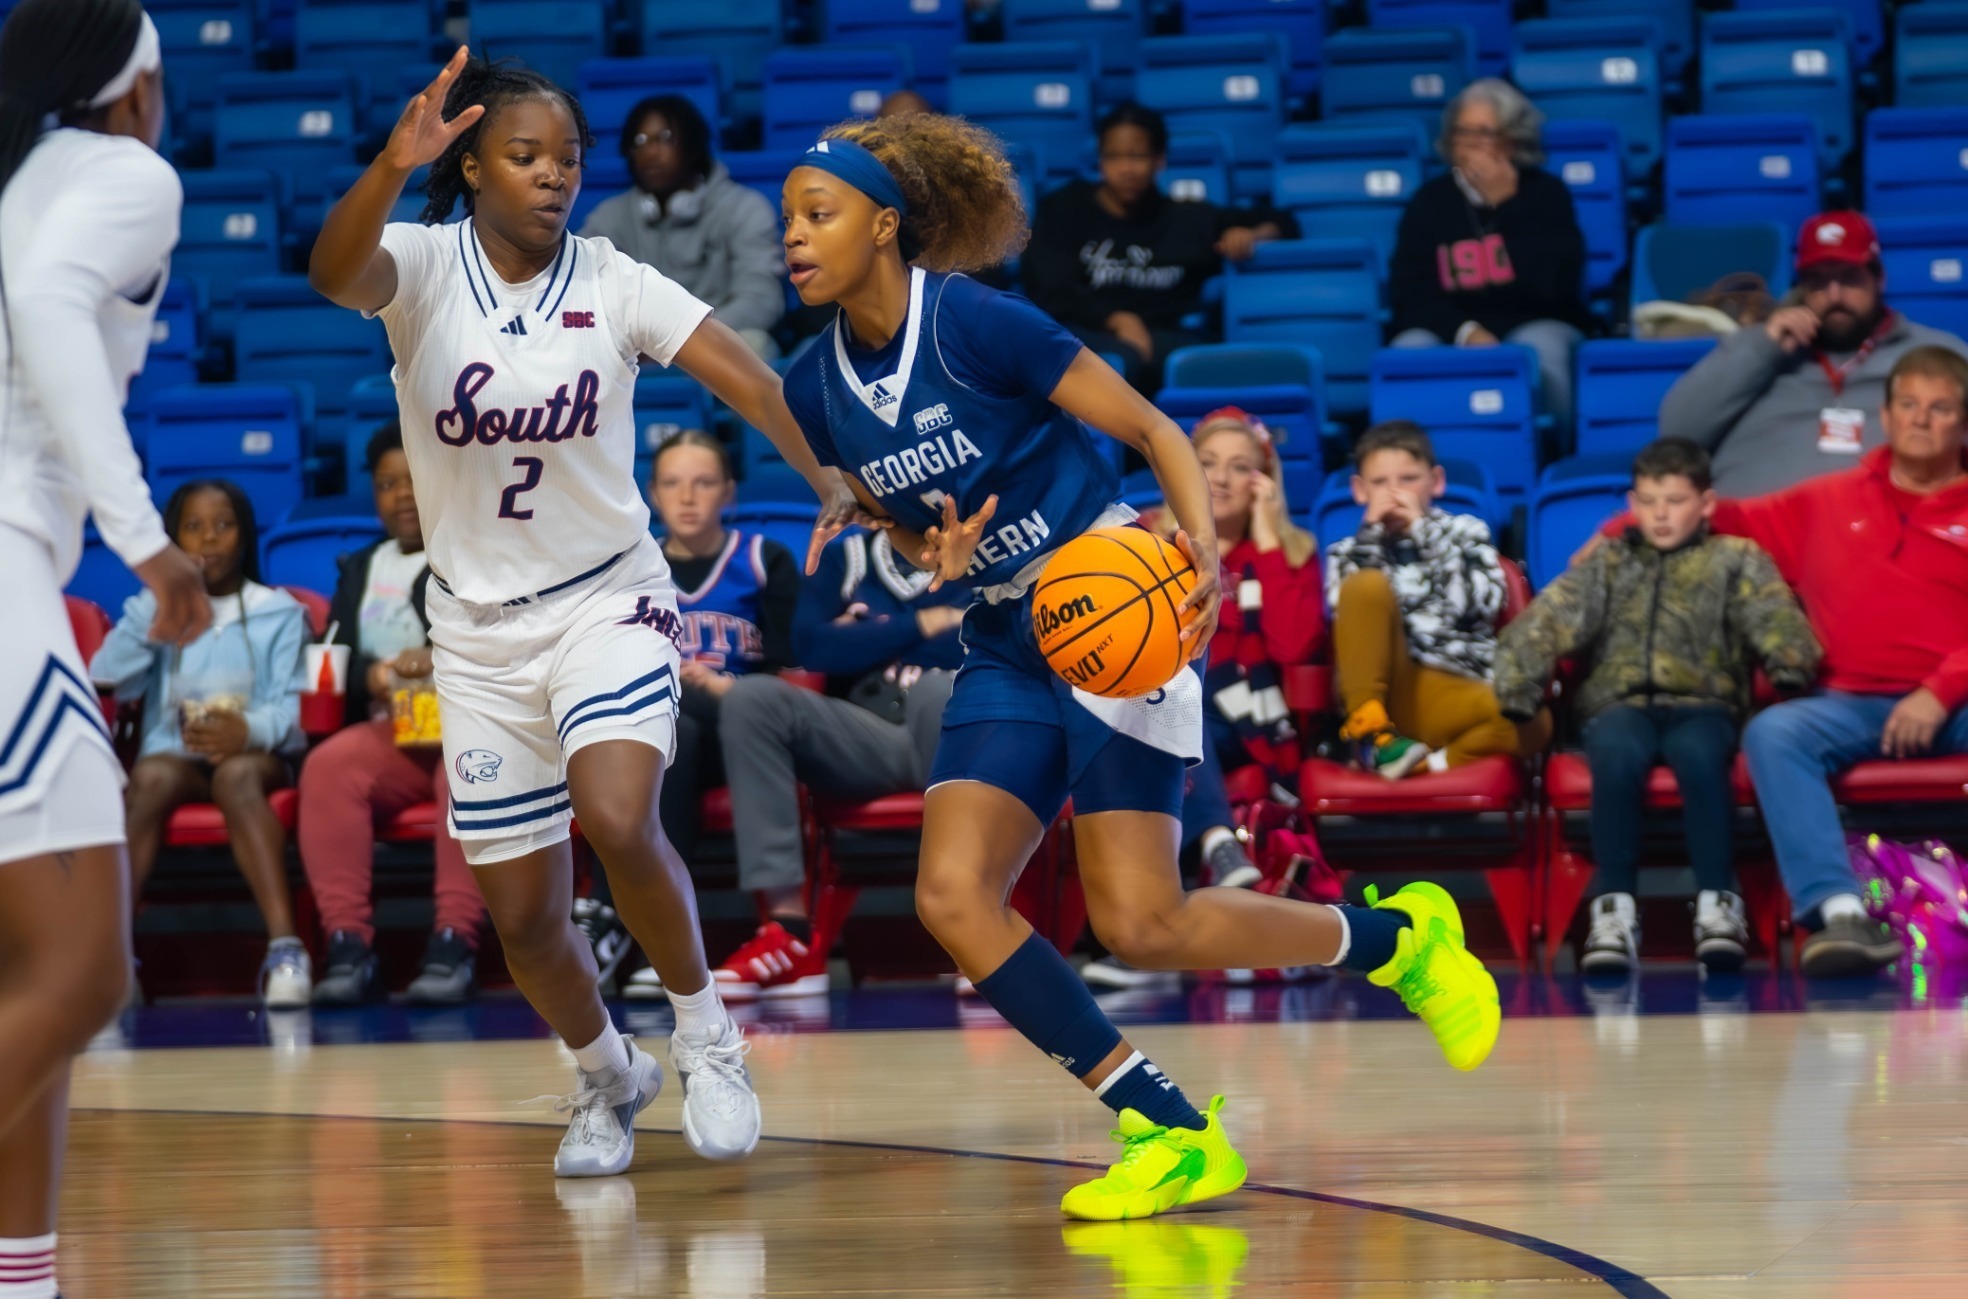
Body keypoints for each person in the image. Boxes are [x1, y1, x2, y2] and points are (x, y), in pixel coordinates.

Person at [780, 113, 1501, 1220]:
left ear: (883, 226)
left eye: (815, 214)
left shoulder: (974, 321)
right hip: (1006, 637)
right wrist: (927, 551)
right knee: (952, 897)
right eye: (787, 217)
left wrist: (1200, 555)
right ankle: (1167, 1128)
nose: (793, 235)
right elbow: (910, 530)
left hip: (1114, 605)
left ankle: (1396, 942)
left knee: (1143, 924)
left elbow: (1158, 430)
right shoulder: (809, 384)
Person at [309, 49, 858, 1177]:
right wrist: (387, 160)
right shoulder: (417, 269)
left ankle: (707, 1035)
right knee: (523, 923)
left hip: (607, 599)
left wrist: (824, 476)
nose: (553, 176)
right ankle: (608, 1075)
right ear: (469, 168)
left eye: (567, 159)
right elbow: (330, 271)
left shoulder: (614, 277)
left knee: (617, 815)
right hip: (474, 634)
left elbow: (747, 379)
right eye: (525, 157)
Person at [0, 3, 210, 1293]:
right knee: (76, 973)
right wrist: (148, 544)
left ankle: (19, 1283)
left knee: (20, 972)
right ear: (138, 87)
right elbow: (61, 310)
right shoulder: (127, 171)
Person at [1589, 347, 1968, 977]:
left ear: (1963, 422)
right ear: (1886, 413)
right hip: (1846, 704)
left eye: (1941, 408)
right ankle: (1841, 913)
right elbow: (1724, 516)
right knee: (1774, 731)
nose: (1922, 420)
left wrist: (1941, 689)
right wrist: (1616, 531)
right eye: (1908, 405)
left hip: (1954, 702)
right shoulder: (1827, 499)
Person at [1492, 439, 1820, 973]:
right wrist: (1519, 686)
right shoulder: (1610, 562)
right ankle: (1613, 910)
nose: (1660, 514)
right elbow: (1545, 621)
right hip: (1618, 705)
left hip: (1704, 703)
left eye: (1674, 500)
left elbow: (1778, 617)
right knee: (1616, 757)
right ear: (1632, 503)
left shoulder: (1735, 559)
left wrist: (1788, 663)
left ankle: (1718, 904)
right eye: (1648, 501)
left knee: (1700, 757)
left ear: (1706, 504)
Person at [669, 522, 968, 1000]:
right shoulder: (845, 557)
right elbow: (810, 645)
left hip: (959, 734)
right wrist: (925, 623)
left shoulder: (983, 549)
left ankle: (977, 923)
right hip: (868, 733)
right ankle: (788, 932)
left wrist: (868, 634)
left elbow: (984, 641)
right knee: (755, 697)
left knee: (942, 687)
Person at [1085, 408, 1326, 992]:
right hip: (1157, 705)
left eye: (1240, 468)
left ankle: (1154, 937)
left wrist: (1268, 539)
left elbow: (1294, 649)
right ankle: (1213, 853)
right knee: (1162, 695)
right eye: (1206, 463)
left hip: (1257, 723)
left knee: (1179, 685)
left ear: (1263, 481)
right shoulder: (1147, 537)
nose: (1219, 478)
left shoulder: (1292, 553)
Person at [90, 480, 311, 1006]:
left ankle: (286, 949)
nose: (208, 539)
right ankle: (113, 958)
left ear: (245, 535)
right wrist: (159, 602)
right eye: (192, 527)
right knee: (150, 777)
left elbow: (293, 711)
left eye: (223, 525)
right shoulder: (158, 611)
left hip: (255, 760)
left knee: (236, 777)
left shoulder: (279, 613)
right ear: (172, 541)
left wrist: (246, 732)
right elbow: (105, 676)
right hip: (176, 756)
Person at [599, 430, 799, 993]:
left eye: (704, 482)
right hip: (660, 730)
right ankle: (643, 941)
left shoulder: (763, 560)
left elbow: (791, 668)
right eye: (672, 484)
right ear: (652, 495)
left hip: (743, 730)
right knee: (663, 741)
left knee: (680, 736)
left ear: (729, 492)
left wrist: (720, 685)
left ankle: (666, 948)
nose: (688, 497)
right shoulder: (627, 567)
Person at [298, 423, 486, 1006]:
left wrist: (441, 654)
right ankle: (348, 944)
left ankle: (455, 941)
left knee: (468, 766)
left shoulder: (479, 550)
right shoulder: (360, 568)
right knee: (329, 767)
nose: (403, 495)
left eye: (415, 479)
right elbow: (333, 660)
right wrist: (372, 675)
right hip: (397, 728)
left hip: (472, 722)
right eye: (387, 484)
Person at [1659, 211, 1968, 497]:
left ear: (1879, 279)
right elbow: (1676, 431)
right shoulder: (1760, 349)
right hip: (1748, 547)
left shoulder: (1933, 355)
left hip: (1889, 544)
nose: (1835, 295)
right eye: (1819, 281)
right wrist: (1762, 349)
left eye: (1849, 278)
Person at [1020, 103, 1295, 396]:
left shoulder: (1185, 218)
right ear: (1100, 161)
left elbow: (1284, 223)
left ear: (1159, 160)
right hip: (1082, 332)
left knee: (1216, 364)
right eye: (1113, 157)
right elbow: (1049, 291)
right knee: (1121, 362)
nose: (1125, 168)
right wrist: (1116, 319)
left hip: (1163, 336)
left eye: (1137, 156)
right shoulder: (1063, 208)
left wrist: (1249, 234)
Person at [1327, 421, 1552, 778]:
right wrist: (1370, 537)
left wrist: (1424, 533)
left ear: (1436, 481)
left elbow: (1481, 606)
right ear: (1359, 490)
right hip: (1388, 690)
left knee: (1532, 720)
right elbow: (1351, 629)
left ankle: (1423, 765)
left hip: (1460, 684)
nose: (1395, 493)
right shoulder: (1346, 552)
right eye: (1380, 482)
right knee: (1364, 585)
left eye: (1409, 479)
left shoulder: (1467, 532)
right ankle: (1372, 735)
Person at [1388, 78, 1591, 437]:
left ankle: (1551, 451)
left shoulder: (1546, 196)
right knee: (1408, 349)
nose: (1474, 146)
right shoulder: (1429, 203)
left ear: (1513, 140)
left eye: (1486, 133)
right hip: (1451, 328)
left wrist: (1508, 206)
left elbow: (1554, 288)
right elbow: (1409, 293)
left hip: (1533, 321)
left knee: (1542, 351)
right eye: (1464, 133)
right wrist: (1465, 332)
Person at [579, 94, 786, 360]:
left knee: (754, 344)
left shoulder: (744, 208)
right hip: (636, 352)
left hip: (713, 346)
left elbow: (761, 301)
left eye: (665, 138)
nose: (651, 152)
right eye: (639, 141)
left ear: (692, 146)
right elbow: (579, 290)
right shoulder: (611, 216)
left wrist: (677, 340)